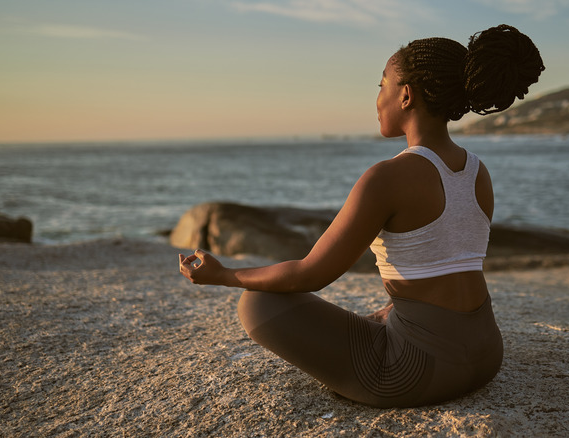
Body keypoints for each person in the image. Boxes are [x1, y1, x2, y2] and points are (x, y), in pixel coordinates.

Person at [179, 24, 544, 408]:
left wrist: (223, 275)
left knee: (257, 303)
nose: (377, 97)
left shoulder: (387, 177)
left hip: (415, 374)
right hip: (487, 355)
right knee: (383, 314)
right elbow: (447, 264)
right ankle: (396, 321)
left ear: (406, 95)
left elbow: (310, 275)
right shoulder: (477, 172)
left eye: (381, 84)